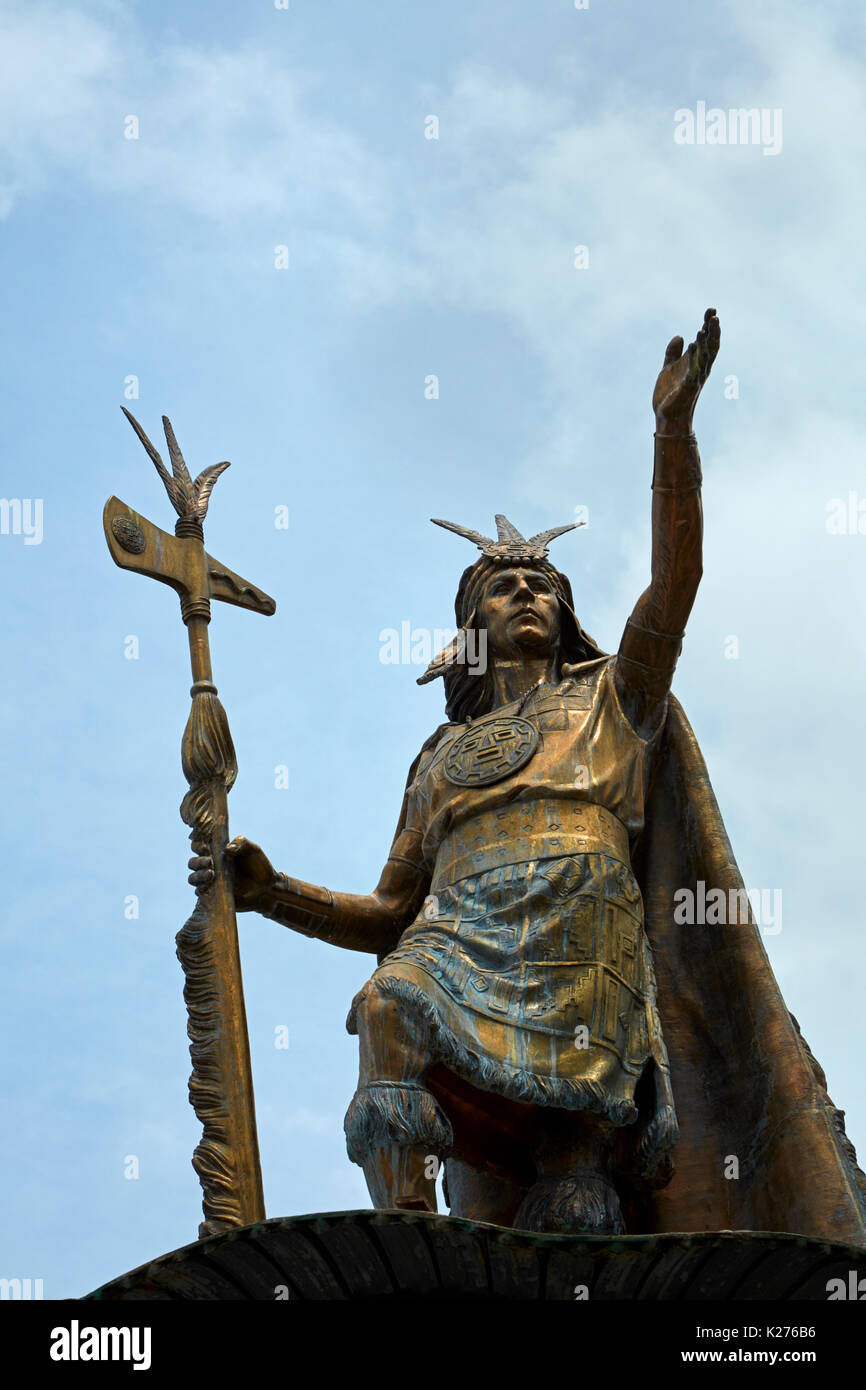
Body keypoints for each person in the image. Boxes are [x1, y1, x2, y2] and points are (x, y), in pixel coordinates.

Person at [189, 310, 866, 1242]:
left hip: (586, 945)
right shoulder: (439, 758)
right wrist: (272, 892)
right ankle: (411, 1244)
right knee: (390, 1005)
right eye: (505, 587)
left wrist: (671, 437)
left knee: (573, 1182)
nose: (528, 594)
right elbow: (388, 915)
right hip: (458, 936)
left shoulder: (615, 697)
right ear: (472, 626)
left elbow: (675, 587)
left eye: (544, 585)